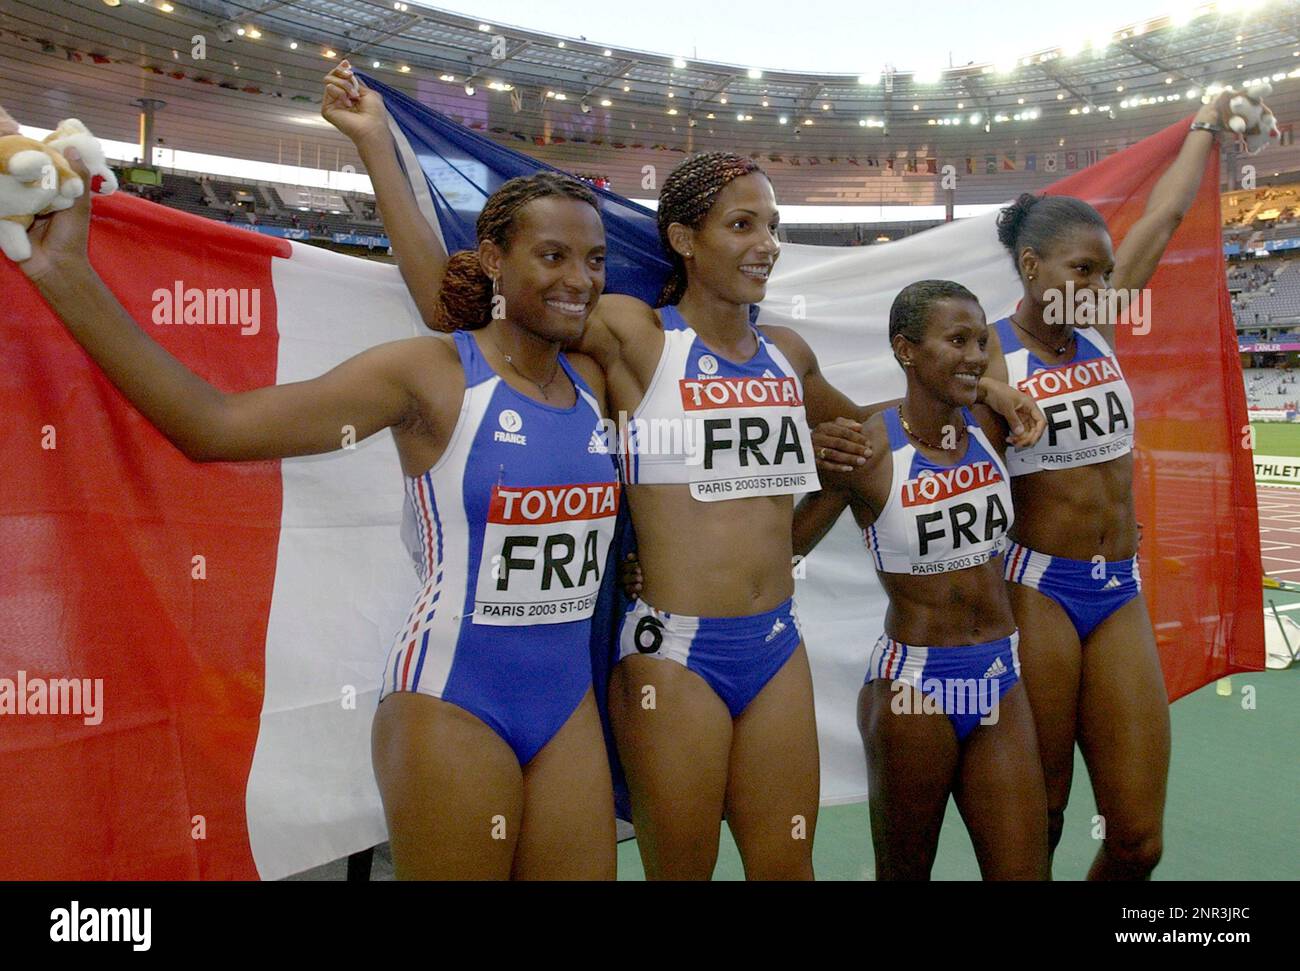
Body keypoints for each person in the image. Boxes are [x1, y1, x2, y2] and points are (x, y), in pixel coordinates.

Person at [323, 61, 1044, 879]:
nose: (767, 244)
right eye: (742, 225)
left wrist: (981, 385)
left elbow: (880, 432)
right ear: (684, 239)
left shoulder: (788, 354)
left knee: (789, 870)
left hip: (776, 645)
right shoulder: (636, 336)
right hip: (672, 653)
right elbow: (459, 307)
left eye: (772, 226)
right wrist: (376, 143)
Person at [10, 132, 621, 880]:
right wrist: (66, 273)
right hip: (454, 699)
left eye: (595, 260)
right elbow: (213, 427)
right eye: (552, 256)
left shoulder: (597, 379)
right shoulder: (428, 376)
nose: (580, 280)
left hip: (568, 706)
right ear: (494, 259)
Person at [983, 90, 1273, 880]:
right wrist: (988, 391)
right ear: (1032, 267)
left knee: (1138, 839)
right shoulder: (988, 355)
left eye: (1105, 272)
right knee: (1040, 818)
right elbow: (906, 409)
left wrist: (1207, 122)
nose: (1097, 284)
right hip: (1037, 591)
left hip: (1119, 590)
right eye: (1081, 270)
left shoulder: (1101, 322)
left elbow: (1166, 214)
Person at [789, 281, 1048, 880]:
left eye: (980, 342)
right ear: (906, 349)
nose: (976, 355)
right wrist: (657, 566)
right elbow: (783, 548)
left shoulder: (994, 422)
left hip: (1001, 674)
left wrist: (994, 388)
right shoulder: (866, 449)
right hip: (914, 686)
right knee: (905, 874)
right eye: (957, 341)